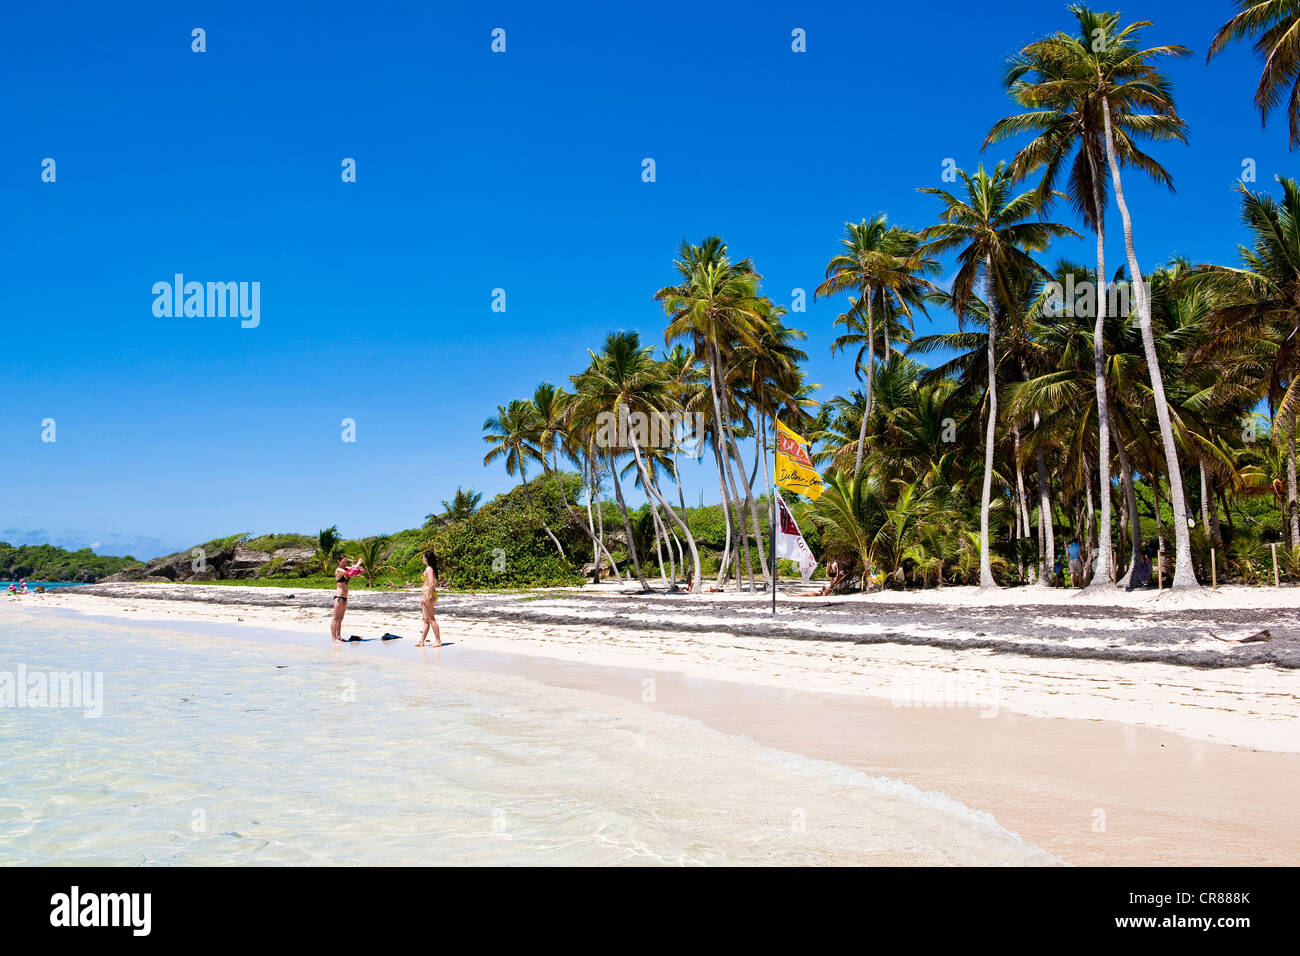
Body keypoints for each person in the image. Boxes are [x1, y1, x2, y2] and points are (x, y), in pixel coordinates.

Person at [331, 556, 364, 643]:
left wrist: (358, 566)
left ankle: (339, 637)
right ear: (339, 562)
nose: (345, 564)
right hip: (338, 597)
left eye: (346, 562)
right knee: (335, 618)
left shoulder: (347, 568)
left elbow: (361, 571)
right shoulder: (338, 570)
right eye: (343, 562)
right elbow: (349, 573)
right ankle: (334, 639)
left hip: (345, 597)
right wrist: (357, 564)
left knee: (340, 618)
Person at [416, 550, 442, 647]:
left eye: (423, 557)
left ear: (426, 558)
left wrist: (427, 597)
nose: (422, 559)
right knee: (426, 619)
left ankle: (438, 641)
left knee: (431, 619)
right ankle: (422, 641)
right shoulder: (429, 568)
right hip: (428, 595)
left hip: (430, 596)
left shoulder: (429, 569)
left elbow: (431, 583)